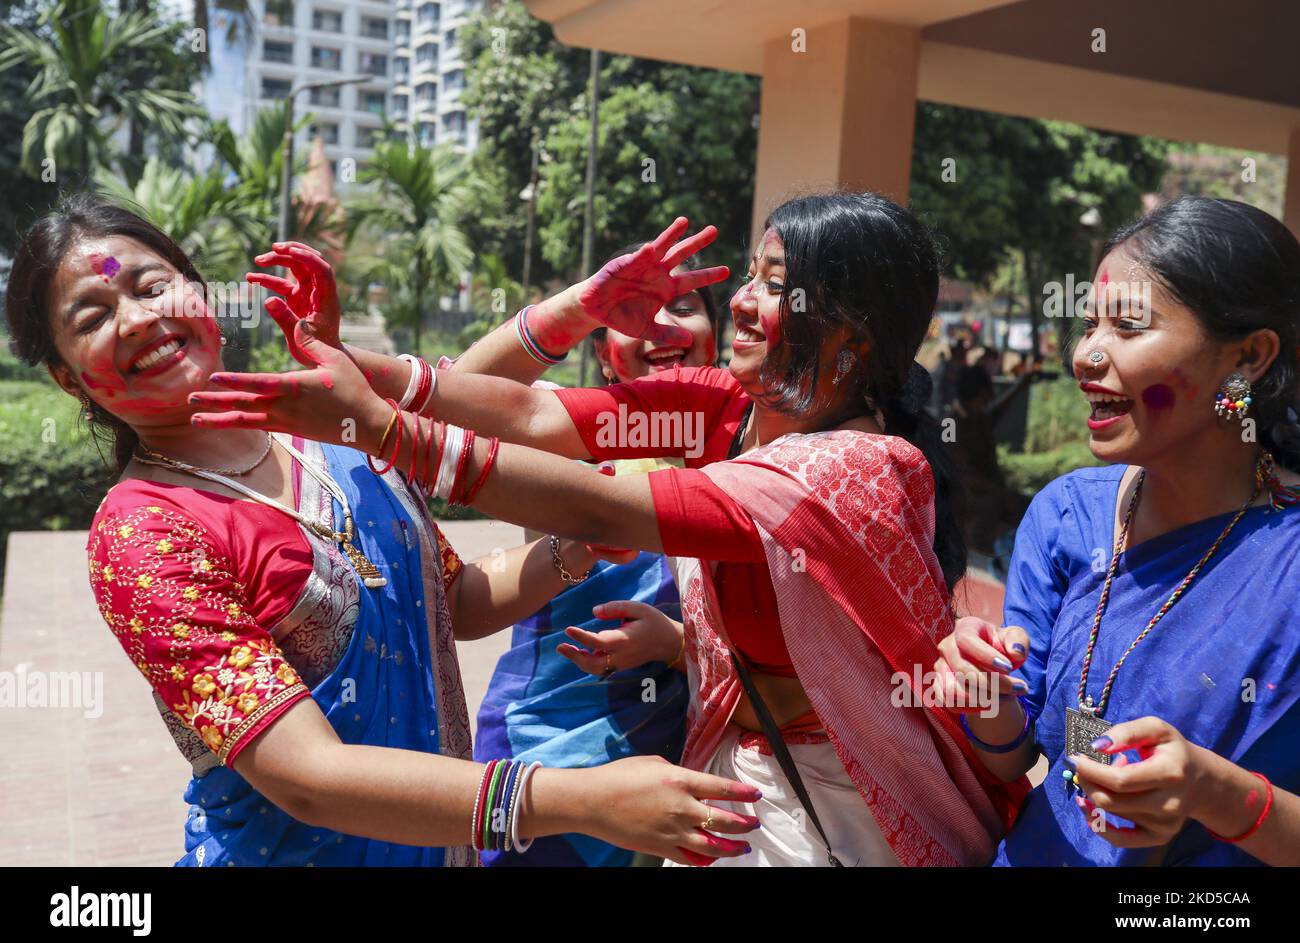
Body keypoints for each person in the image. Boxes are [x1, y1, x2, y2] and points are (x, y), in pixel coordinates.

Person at [190, 193, 1030, 866]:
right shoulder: (730, 410)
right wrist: (337, 357)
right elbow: (529, 412)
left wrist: (379, 428)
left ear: (847, 336)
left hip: (850, 803)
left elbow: (602, 508)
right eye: (751, 275)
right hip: (731, 775)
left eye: (775, 285)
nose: (739, 300)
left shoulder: (855, 467)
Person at [4, 194, 760, 867]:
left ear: (200, 293)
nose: (139, 318)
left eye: (150, 284)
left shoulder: (329, 439)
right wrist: (581, 801)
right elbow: (308, 778)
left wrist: (573, 550)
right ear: (69, 377)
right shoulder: (143, 531)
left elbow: (454, 603)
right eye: (94, 317)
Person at [930, 196, 1300, 865]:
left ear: (1247, 358)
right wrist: (982, 693)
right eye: (1089, 325)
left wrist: (1215, 793)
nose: (1085, 355)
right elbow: (1017, 758)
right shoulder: (1069, 516)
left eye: (1128, 327)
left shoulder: (1288, 559)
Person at [466, 241, 721, 867]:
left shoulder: (749, 461)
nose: (661, 327)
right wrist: (577, 308)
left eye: (683, 308)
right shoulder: (568, 437)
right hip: (540, 762)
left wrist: (677, 645)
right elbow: (463, 396)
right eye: (633, 314)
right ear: (603, 353)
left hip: (666, 782)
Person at [951, 363, 1035, 554]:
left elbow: (996, 411)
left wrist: (1020, 386)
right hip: (971, 501)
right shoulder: (950, 424)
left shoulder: (978, 417)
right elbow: (959, 473)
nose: (988, 400)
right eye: (985, 396)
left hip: (993, 491)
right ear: (976, 394)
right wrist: (1000, 493)